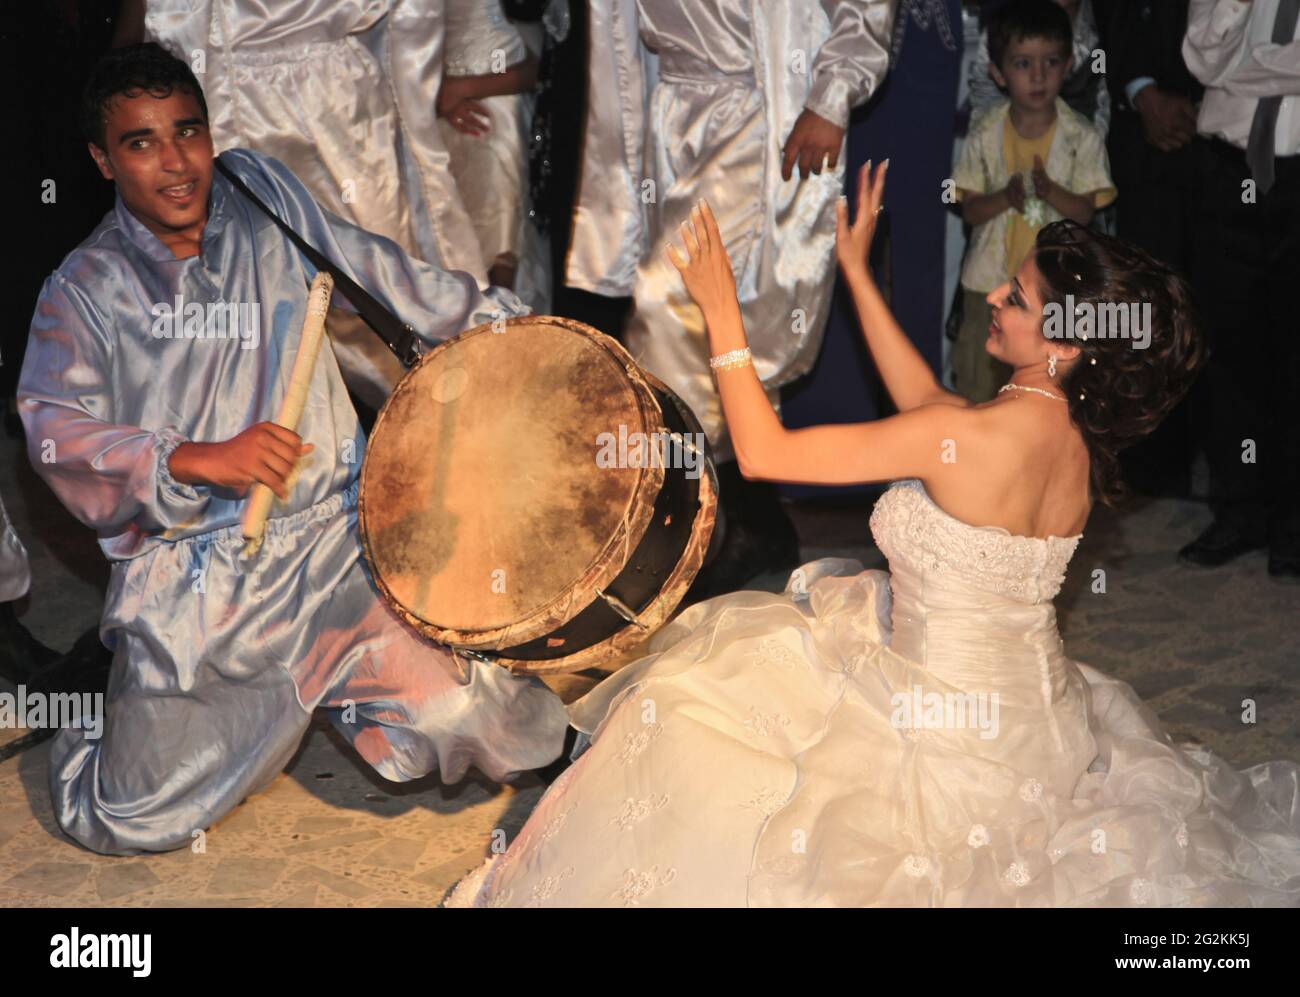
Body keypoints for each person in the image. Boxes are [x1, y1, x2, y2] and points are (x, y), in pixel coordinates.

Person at [448, 163, 1300, 907]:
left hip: (940, 738)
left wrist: (723, 318)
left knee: (685, 710)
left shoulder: (973, 439)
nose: (997, 298)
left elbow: (764, 448)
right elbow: (929, 403)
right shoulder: (1070, 442)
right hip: (1032, 725)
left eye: (1020, 298)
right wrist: (856, 270)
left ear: (1071, 346)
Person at [18, 43, 568, 856]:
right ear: (102, 159)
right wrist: (193, 459)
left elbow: (373, 268)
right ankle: (123, 704)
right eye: (142, 143)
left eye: (188, 132)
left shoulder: (257, 189)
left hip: (332, 549)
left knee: (466, 720)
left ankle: (360, 684)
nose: (176, 163)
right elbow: (55, 428)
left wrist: (500, 321)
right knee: (135, 821)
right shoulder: (83, 289)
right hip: (200, 590)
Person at [605, 0, 895, 594]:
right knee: (710, 322)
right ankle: (749, 521)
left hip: (752, 119)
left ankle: (690, 529)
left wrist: (829, 95)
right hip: (675, 109)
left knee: (673, 309)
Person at [1178, 0, 1300, 580]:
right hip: (1229, 172)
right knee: (1228, 348)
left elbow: (1226, 71)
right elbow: (1201, 60)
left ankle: (1294, 524)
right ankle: (1240, 508)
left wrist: (1240, 68)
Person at [951, 0, 1115, 403]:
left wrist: (1050, 191)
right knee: (981, 385)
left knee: (1050, 389)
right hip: (988, 283)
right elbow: (969, 210)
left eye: (1051, 62)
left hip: (1051, 294)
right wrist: (1004, 198)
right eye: (1023, 64)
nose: (1038, 76)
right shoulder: (985, 132)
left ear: (1069, 63)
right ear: (998, 73)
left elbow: (1085, 212)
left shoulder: (1082, 137)